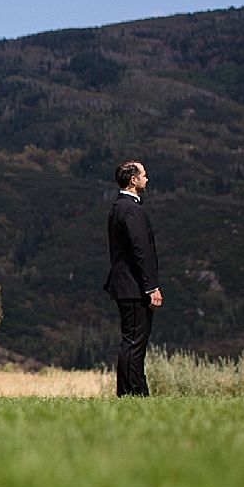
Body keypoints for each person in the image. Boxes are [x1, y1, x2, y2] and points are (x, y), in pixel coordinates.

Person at [102, 160, 162, 397]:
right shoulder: (131, 210)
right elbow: (141, 251)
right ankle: (133, 392)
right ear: (133, 180)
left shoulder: (118, 207)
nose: (147, 178)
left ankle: (131, 391)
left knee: (132, 340)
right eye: (144, 175)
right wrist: (152, 287)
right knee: (135, 341)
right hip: (134, 287)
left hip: (125, 285)